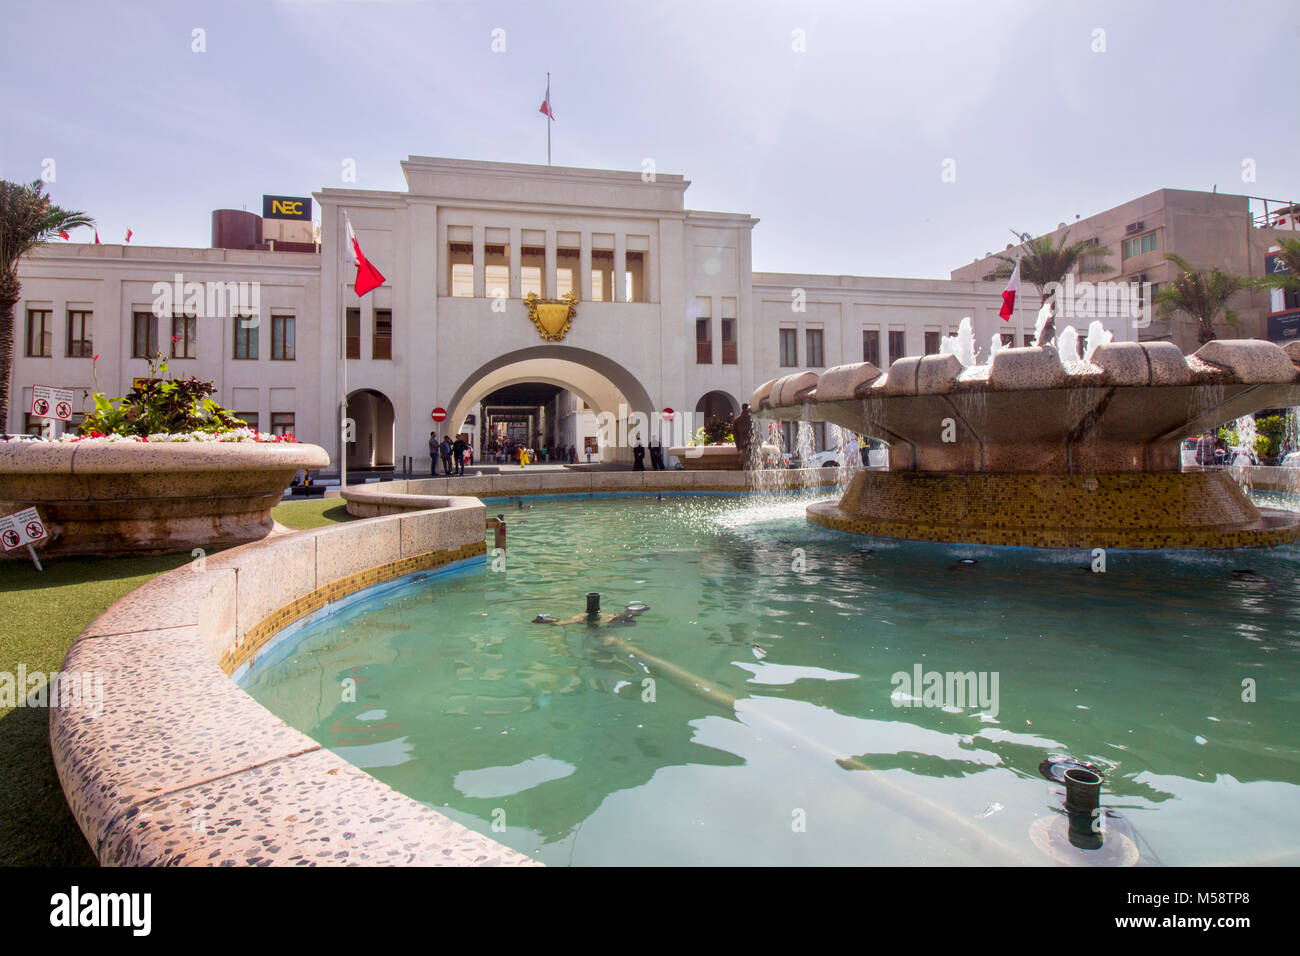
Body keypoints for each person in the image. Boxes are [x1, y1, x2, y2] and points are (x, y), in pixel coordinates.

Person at [732, 403, 754, 469]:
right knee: (752, 464)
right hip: (752, 443)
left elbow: (735, 435)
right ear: (748, 408)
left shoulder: (737, 420)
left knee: (745, 463)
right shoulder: (752, 419)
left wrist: (738, 447)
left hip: (743, 444)